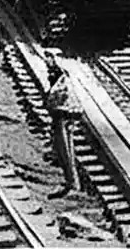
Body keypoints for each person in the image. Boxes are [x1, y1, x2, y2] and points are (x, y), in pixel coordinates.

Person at [45, 53, 81, 198]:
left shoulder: (62, 82)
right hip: (64, 115)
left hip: (63, 116)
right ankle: (72, 182)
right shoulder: (63, 80)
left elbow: (55, 100)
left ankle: (72, 182)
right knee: (63, 150)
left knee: (65, 149)